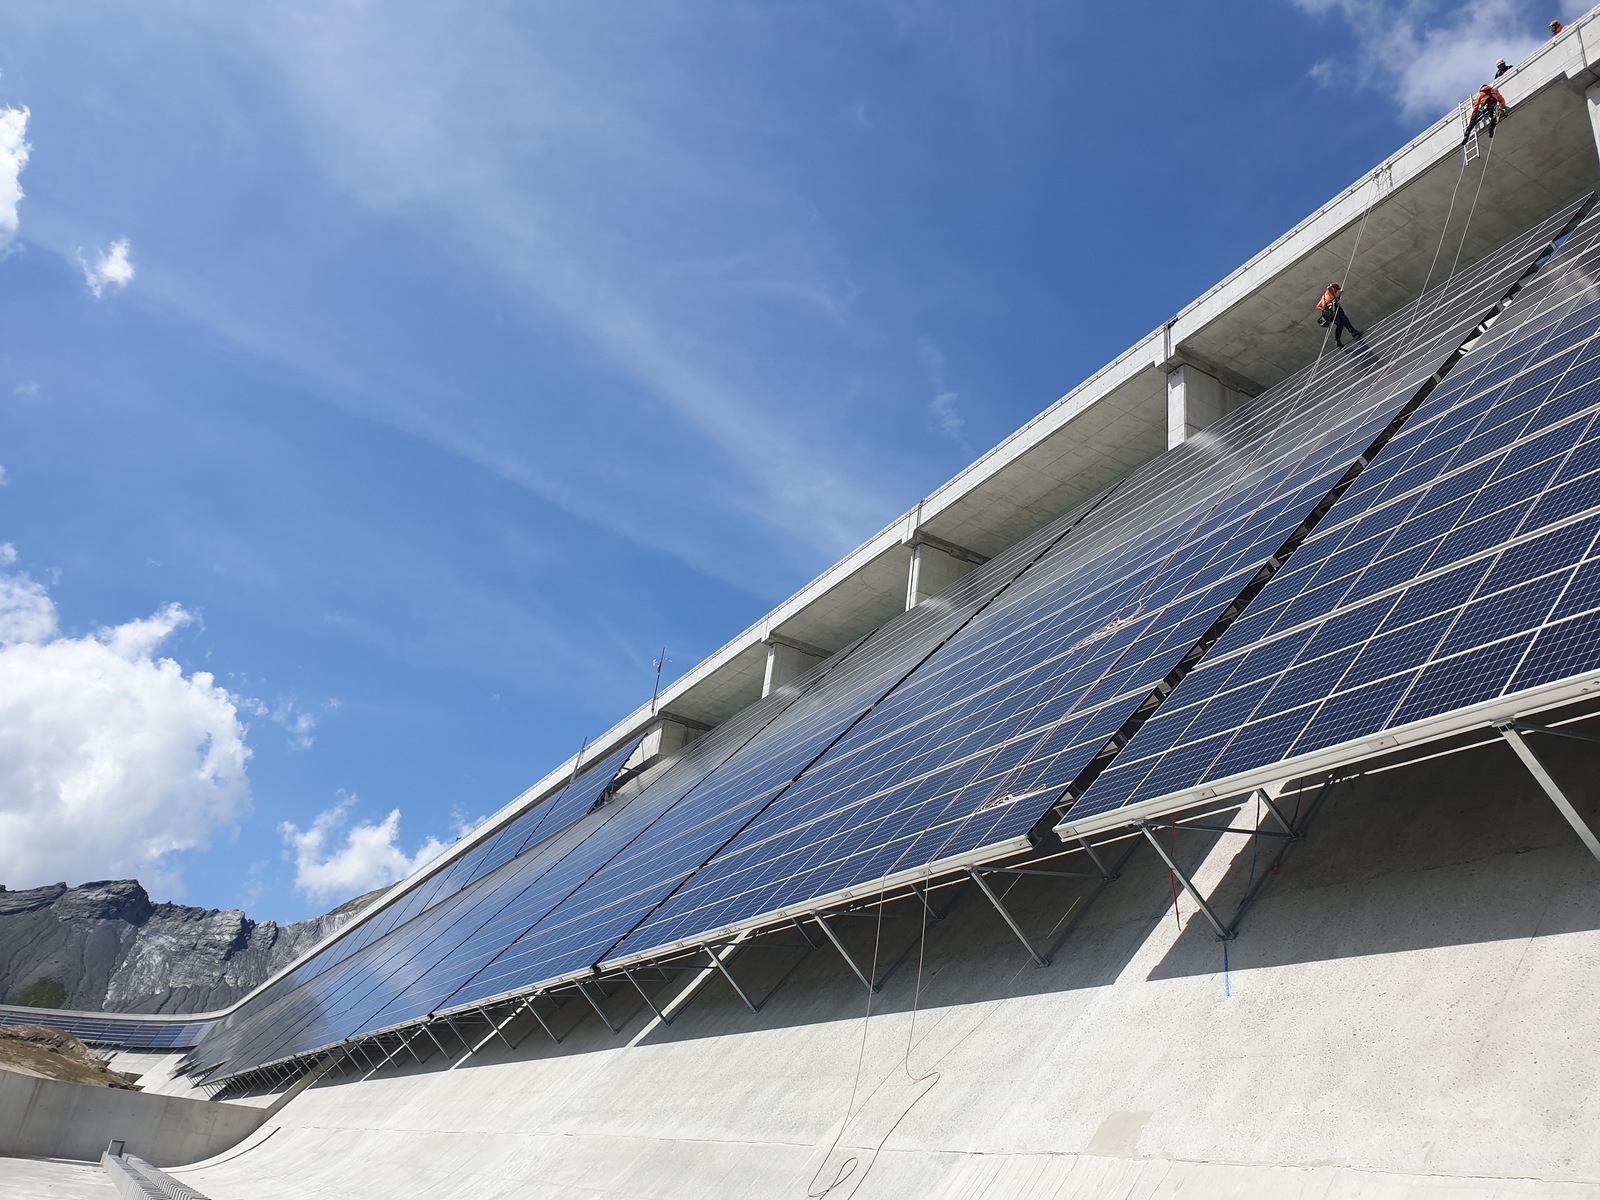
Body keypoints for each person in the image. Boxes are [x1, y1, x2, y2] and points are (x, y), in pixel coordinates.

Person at [1317, 283, 1362, 348]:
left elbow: (1318, 306)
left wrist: (1324, 308)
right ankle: (1353, 332)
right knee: (1344, 320)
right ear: (1334, 288)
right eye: (1336, 289)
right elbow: (1329, 289)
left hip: (1329, 314)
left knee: (1340, 325)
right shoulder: (1329, 292)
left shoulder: (1325, 296)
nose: (1336, 291)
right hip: (1334, 312)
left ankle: (1338, 340)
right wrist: (1336, 290)